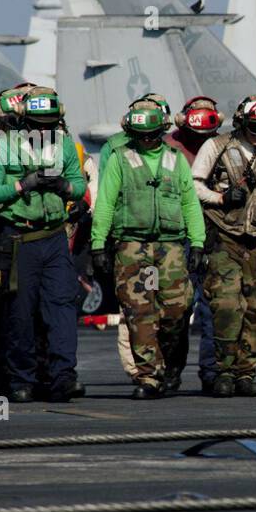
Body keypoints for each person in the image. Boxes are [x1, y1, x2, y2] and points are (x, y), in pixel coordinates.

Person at [0, 86, 87, 403]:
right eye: (38, 123)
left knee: (62, 308)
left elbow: (79, 186)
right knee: (19, 312)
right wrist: (21, 185)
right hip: (18, 239)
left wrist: (64, 186)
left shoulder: (64, 145)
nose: (44, 129)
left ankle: (63, 376)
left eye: (49, 123)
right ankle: (20, 379)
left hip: (53, 237)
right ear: (24, 119)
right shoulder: (2, 147)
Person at [90, 100, 206, 398]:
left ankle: (170, 366)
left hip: (171, 247)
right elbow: (105, 203)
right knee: (139, 313)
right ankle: (148, 377)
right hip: (131, 246)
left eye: (153, 134)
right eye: (141, 135)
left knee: (176, 311)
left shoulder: (174, 159)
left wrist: (197, 242)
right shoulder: (120, 158)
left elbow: (190, 203)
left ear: (161, 132)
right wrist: (98, 244)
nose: (147, 140)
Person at [190, 95, 256, 397]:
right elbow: (194, 184)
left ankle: (246, 373)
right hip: (224, 238)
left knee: (255, 307)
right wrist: (220, 199)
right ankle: (222, 371)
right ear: (242, 122)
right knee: (225, 305)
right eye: (255, 126)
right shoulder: (216, 146)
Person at [165, 96, 224, 393]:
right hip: (178, 239)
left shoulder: (223, 147)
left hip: (214, 235)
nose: (201, 141)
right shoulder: (168, 148)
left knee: (212, 307)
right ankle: (171, 368)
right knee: (176, 309)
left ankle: (211, 371)